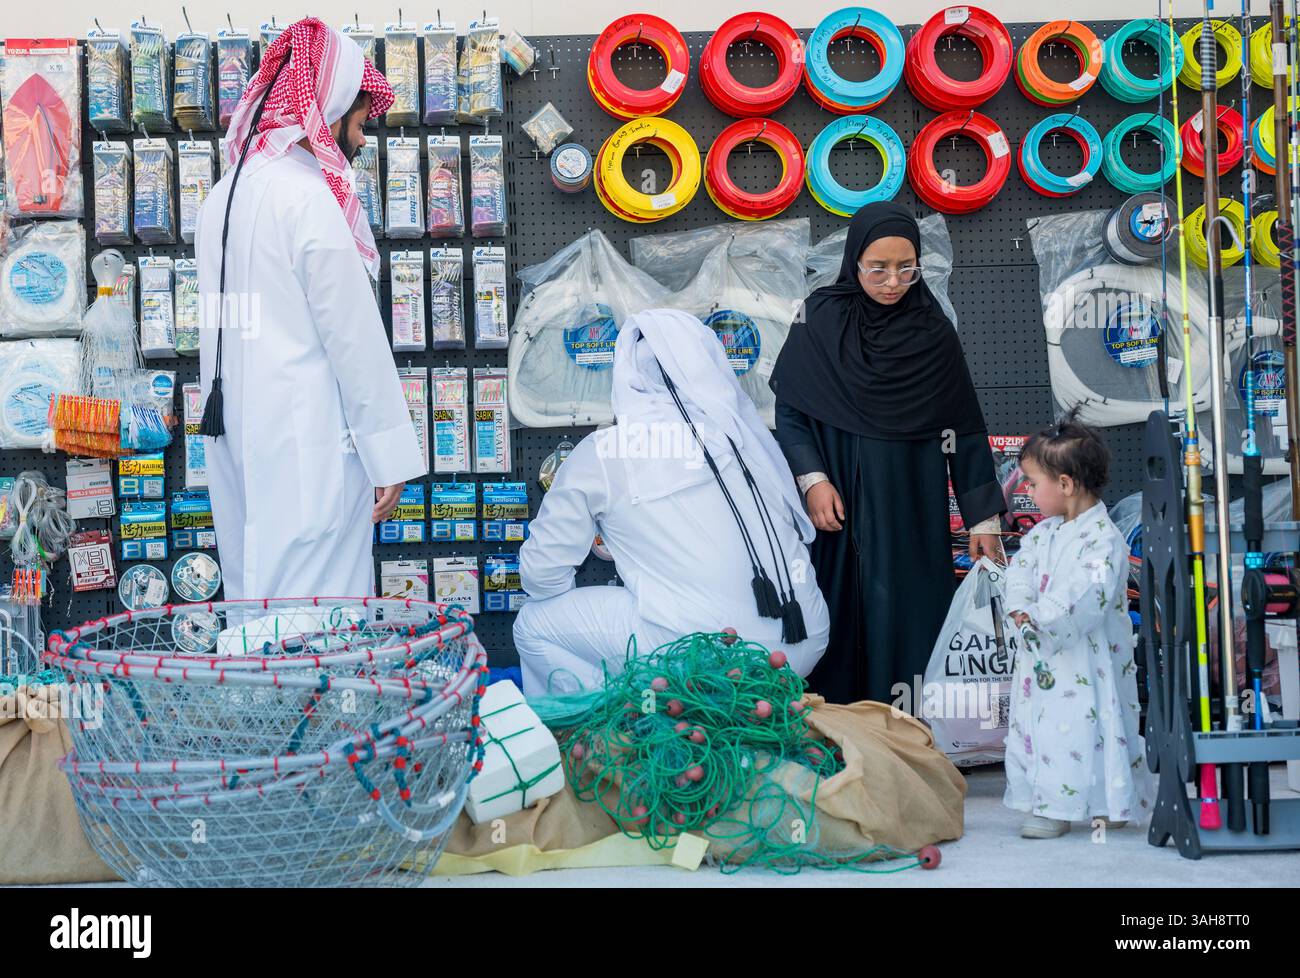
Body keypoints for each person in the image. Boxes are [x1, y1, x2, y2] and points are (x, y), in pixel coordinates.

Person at [197, 19, 424, 601]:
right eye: (359, 121)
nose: (363, 137)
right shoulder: (305, 197)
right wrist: (389, 453)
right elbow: (353, 338)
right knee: (314, 615)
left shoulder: (222, 196)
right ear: (324, 113)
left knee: (253, 597)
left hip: (237, 437)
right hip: (306, 438)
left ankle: (249, 694)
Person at [514, 308, 830, 697]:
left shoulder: (606, 451)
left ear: (626, 374)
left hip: (707, 652)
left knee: (532, 624)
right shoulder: (747, 441)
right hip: (803, 643)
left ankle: (624, 722)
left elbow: (542, 576)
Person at [770, 201, 1005, 705]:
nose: (893, 281)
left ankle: (905, 730)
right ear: (854, 261)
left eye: (906, 268)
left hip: (908, 506)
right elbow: (790, 411)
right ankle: (832, 725)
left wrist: (983, 519)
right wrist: (812, 480)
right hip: (834, 512)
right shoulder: (821, 317)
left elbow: (962, 427)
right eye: (878, 268)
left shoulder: (932, 329)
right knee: (833, 612)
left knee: (908, 610)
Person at [1004, 415, 1150, 838]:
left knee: (1090, 724)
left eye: (1032, 483)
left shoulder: (1103, 541)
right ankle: (1050, 803)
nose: (1027, 491)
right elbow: (1020, 572)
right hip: (1043, 659)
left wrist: (1039, 615)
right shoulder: (1042, 535)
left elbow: (1086, 597)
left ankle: (1095, 801)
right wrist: (1019, 606)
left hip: (1088, 660)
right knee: (1044, 728)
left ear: (1065, 484)